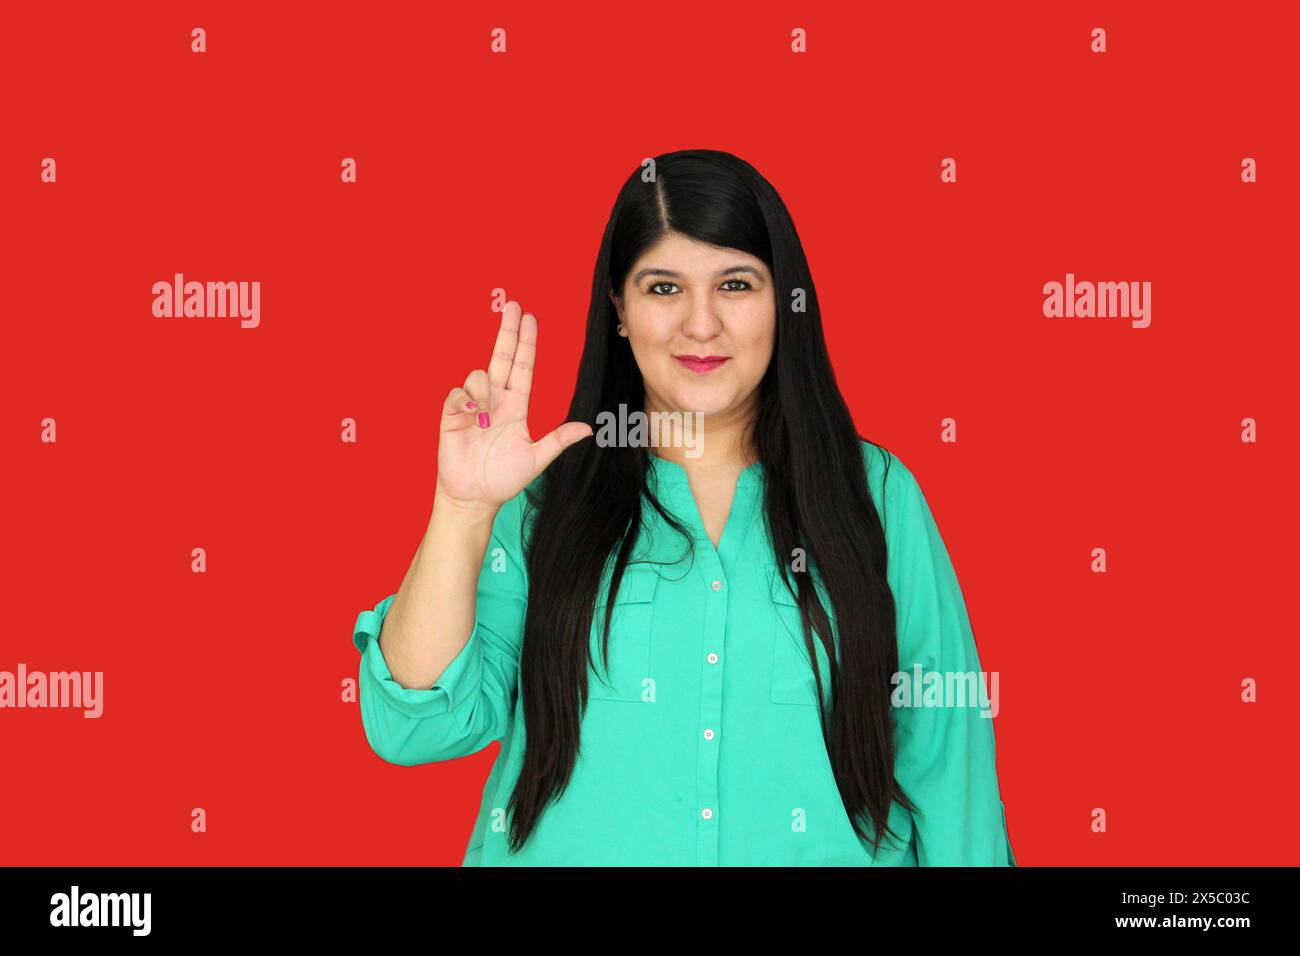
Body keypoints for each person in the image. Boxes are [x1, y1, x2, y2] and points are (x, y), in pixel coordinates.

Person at [351, 148, 1016, 866]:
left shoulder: (877, 497)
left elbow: (949, 766)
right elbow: (412, 728)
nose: (702, 325)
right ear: (620, 309)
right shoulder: (548, 501)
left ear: (784, 301)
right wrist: (461, 508)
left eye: (735, 284)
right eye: (663, 288)